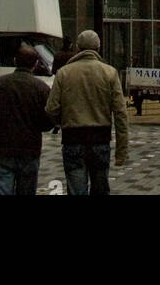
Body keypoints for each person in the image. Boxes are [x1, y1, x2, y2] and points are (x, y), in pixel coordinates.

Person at [46, 30, 129, 195]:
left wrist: (62, 121)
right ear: (98, 48)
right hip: (100, 139)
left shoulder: (64, 73)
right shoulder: (110, 73)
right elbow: (121, 113)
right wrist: (121, 150)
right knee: (100, 189)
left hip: (72, 138)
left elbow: (51, 108)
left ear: (78, 47)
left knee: (76, 189)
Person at [0, 43, 54, 195]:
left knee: (2, 190)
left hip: (1, 147)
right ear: (35, 64)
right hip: (29, 149)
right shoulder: (41, 88)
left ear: (15, 61)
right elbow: (48, 122)